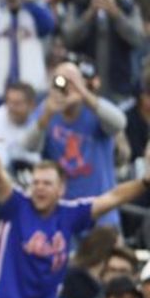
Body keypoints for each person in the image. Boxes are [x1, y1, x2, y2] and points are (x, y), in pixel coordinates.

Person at [0, 109, 148, 298]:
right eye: (36, 183)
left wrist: (145, 182)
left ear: (61, 189)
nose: (40, 188)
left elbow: (112, 197)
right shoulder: (16, 205)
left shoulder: (69, 213)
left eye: (47, 183)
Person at [24, 61, 127, 226]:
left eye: (71, 81)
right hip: (62, 211)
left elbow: (119, 122)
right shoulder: (47, 109)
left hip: (100, 209)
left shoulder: (95, 107)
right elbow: (28, 145)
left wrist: (84, 94)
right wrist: (47, 114)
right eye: (60, 80)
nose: (65, 87)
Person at [61, 0, 145, 102]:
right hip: (83, 89)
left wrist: (116, 14)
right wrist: (89, 14)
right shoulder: (79, 4)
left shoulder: (128, 6)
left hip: (119, 89)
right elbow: (68, 39)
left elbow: (138, 39)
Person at [0, 82, 39, 170]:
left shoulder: (40, 121)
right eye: (9, 102)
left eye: (17, 104)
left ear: (31, 105)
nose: (11, 108)